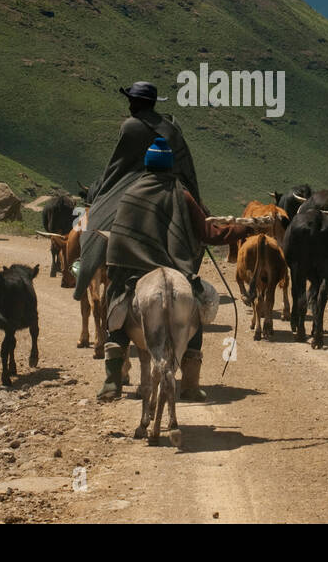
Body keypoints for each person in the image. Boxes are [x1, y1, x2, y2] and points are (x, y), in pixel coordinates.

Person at [97, 137, 244, 402]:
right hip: (173, 269)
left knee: (114, 301)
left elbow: (120, 234)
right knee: (195, 311)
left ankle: (112, 381)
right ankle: (189, 384)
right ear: (170, 167)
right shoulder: (181, 194)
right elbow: (211, 233)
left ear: (147, 165)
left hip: (131, 271)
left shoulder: (131, 193)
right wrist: (245, 229)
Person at [73, 81, 198, 307]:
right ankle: (191, 278)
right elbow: (185, 166)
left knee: (94, 222)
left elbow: (117, 167)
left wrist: (104, 191)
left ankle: (87, 264)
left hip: (134, 183)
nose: (129, 104)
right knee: (197, 225)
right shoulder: (171, 127)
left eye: (132, 100)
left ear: (140, 103)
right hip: (172, 185)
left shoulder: (130, 126)